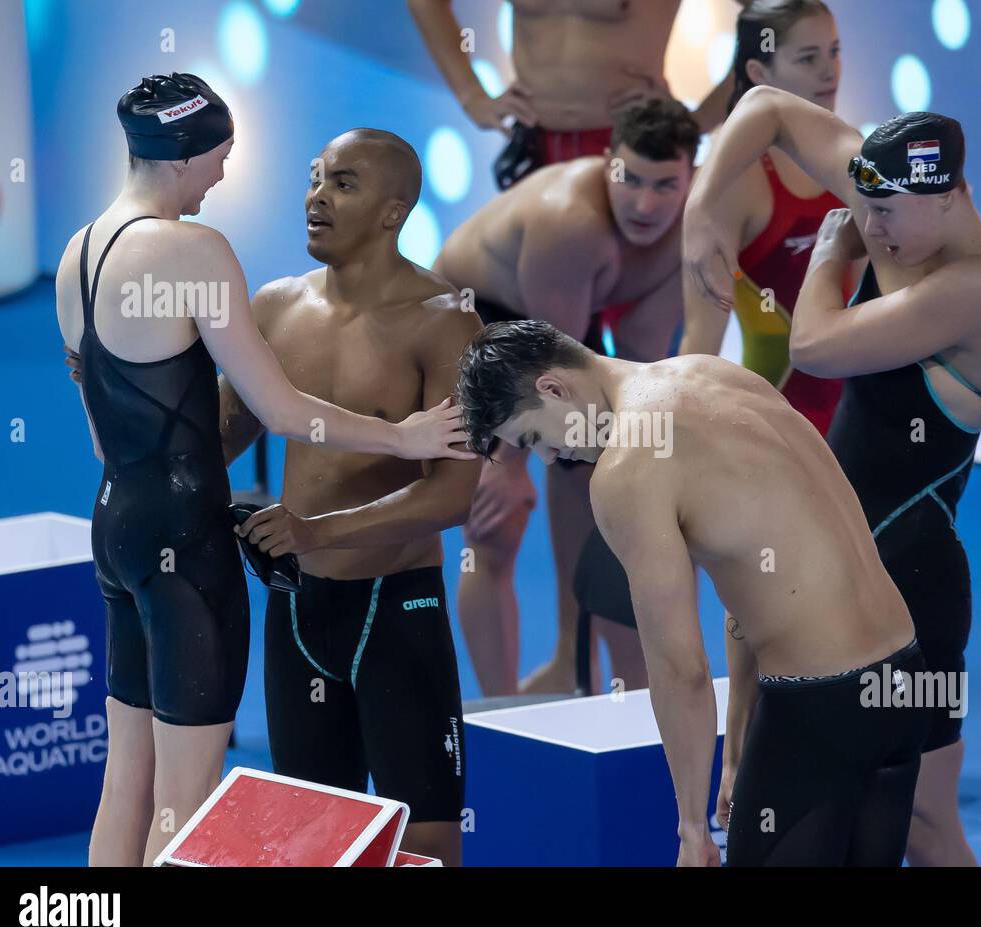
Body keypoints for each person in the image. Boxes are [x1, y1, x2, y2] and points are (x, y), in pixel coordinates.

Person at [55, 75, 469, 867]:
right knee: (208, 798)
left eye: (337, 181)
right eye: (222, 157)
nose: (223, 176)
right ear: (191, 151)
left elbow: (119, 441)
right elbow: (273, 413)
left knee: (127, 780)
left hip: (126, 529)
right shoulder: (221, 267)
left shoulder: (79, 253)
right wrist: (402, 440)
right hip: (216, 558)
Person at [684, 89, 981, 865]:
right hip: (830, 567)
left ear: (950, 197)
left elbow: (813, 345)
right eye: (862, 206)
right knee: (823, 814)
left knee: (925, 824)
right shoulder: (893, 201)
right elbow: (766, 105)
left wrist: (833, 255)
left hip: (916, 581)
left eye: (887, 214)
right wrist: (702, 219)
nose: (870, 225)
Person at [457, 319, 929, 866]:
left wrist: (690, 827)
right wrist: (737, 751)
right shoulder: (716, 373)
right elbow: (748, 589)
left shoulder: (627, 467)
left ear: (554, 388)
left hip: (820, 710)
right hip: (904, 682)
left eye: (536, 439)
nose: (551, 458)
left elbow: (680, 669)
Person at [222, 129, 482, 866]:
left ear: (393, 211)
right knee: (307, 834)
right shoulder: (272, 308)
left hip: (398, 609)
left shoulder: (446, 322)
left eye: (342, 183)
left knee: (425, 839)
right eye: (313, 178)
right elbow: (214, 444)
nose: (316, 197)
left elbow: (453, 497)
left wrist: (317, 532)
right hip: (299, 611)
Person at [433, 98, 697, 697]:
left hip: (561, 335)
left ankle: (573, 666)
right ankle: (502, 705)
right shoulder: (569, 223)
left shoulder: (691, 228)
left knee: (605, 485)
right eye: (631, 179)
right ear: (608, 164)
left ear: (691, 179)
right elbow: (546, 379)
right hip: (474, 321)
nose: (647, 203)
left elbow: (639, 361)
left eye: (666, 185)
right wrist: (503, 465)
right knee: (496, 522)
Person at [679, 0, 861, 438]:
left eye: (834, 51)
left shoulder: (851, 155)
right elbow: (700, 346)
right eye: (807, 57)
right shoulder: (735, 181)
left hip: (861, 418)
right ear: (760, 74)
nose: (829, 71)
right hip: (779, 425)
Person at [408, 0, 742, 189]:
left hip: (634, 145)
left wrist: (696, 123)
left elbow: (772, 15)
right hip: (535, 141)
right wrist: (470, 95)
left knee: (631, 299)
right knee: (538, 296)